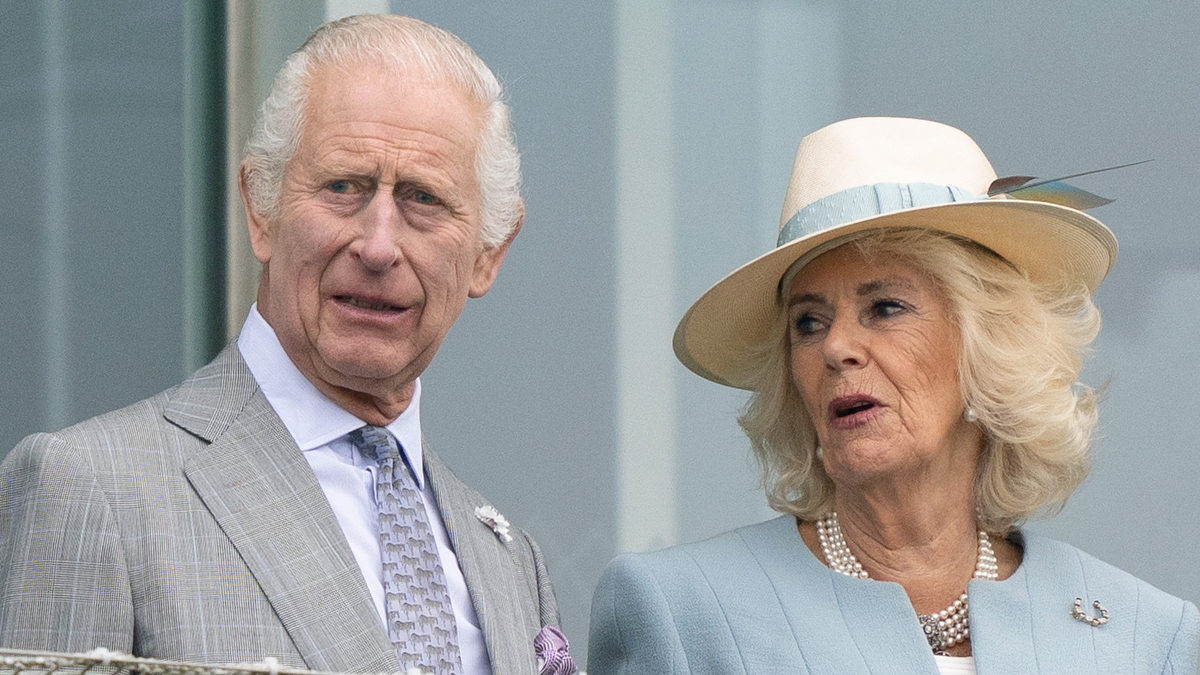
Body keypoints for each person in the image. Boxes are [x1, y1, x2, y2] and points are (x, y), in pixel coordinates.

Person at [0, 14, 573, 675]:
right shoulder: (92, 487)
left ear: (489, 253)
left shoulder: (510, 562)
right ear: (260, 210)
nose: (378, 245)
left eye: (423, 199)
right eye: (343, 187)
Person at [587, 117, 1199, 673]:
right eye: (808, 322)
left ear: (987, 347)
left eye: (884, 308)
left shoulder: (1148, 639)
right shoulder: (680, 614)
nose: (836, 348)